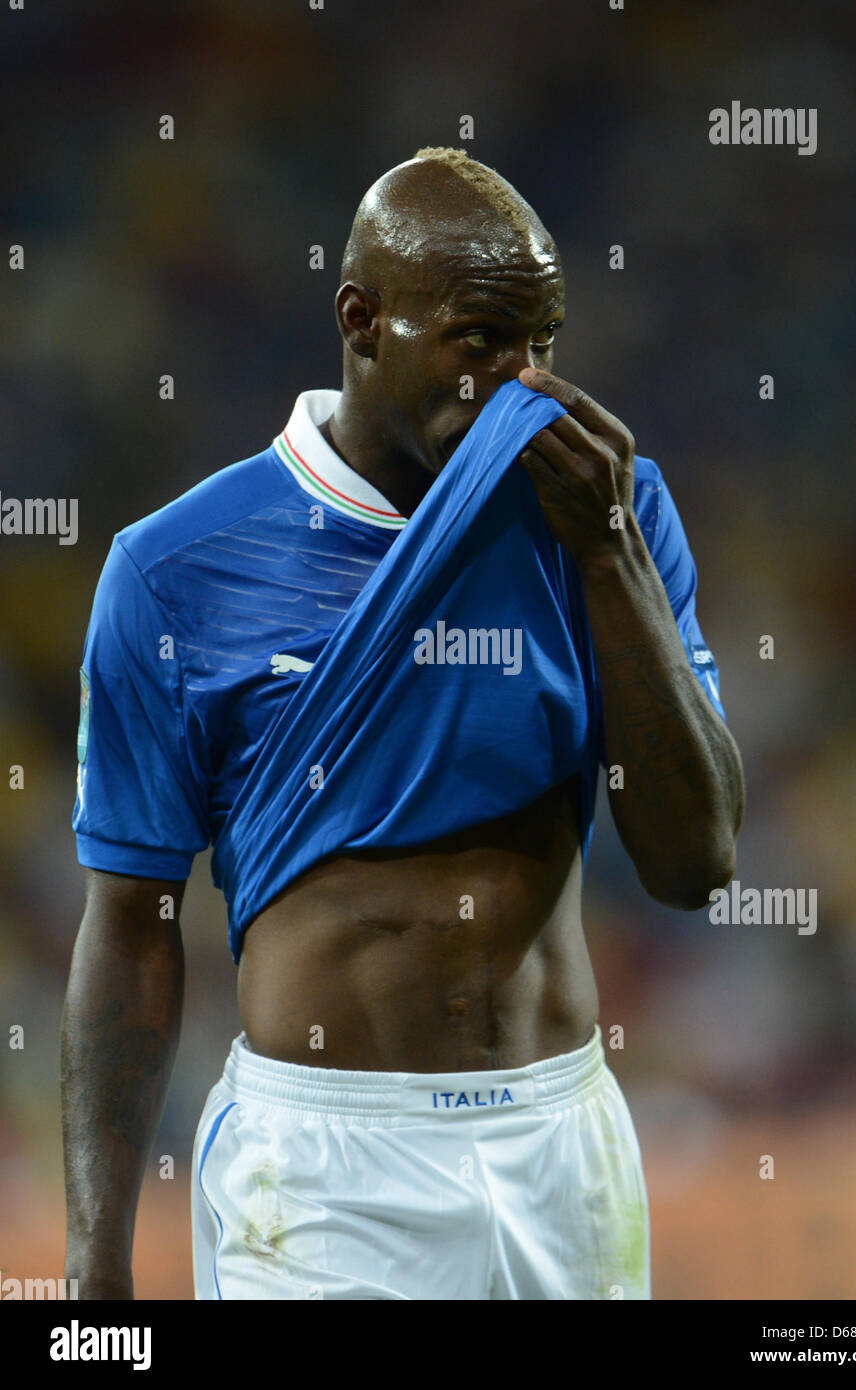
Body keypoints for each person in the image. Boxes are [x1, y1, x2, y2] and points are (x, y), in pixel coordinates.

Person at [62, 146, 744, 1301]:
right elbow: (131, 923)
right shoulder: (175, 570)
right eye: (479, 341)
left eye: (542, 342)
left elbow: (696, 863)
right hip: (326, 1178)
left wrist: (607, 549)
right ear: (363, 319)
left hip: (559, 1145)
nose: (521, 384)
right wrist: (94, 1267)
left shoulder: (607, 516)